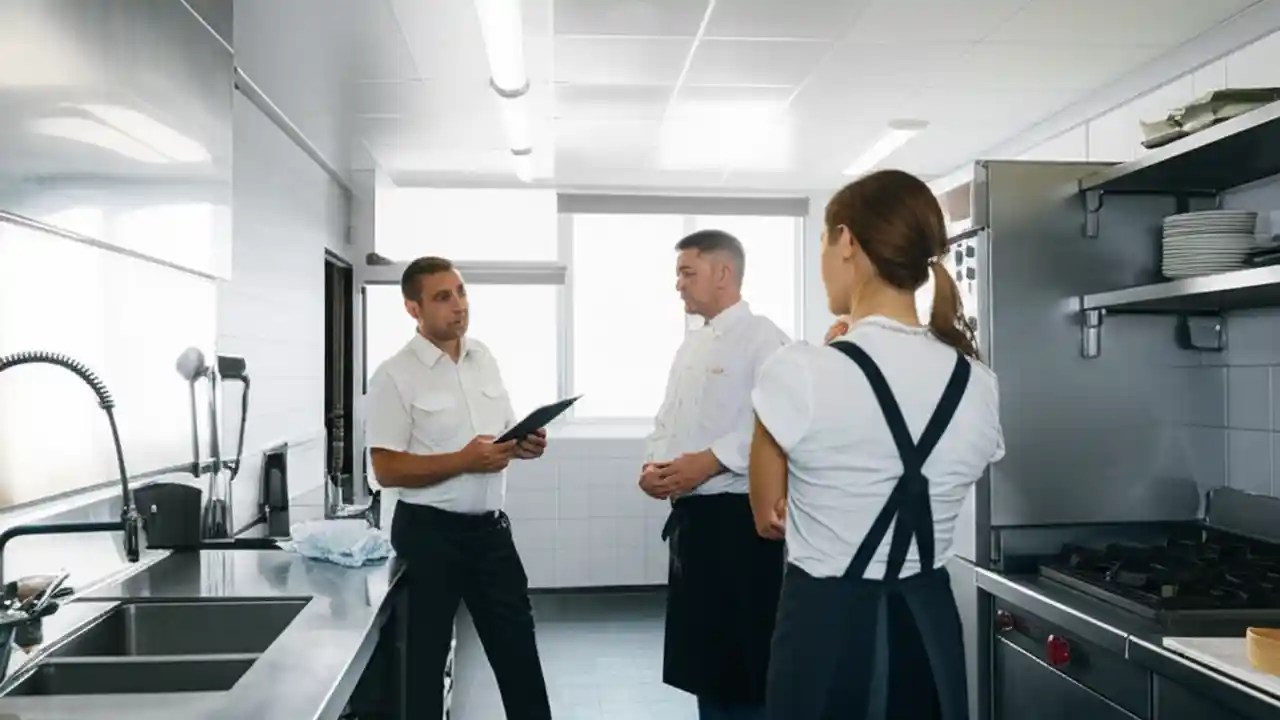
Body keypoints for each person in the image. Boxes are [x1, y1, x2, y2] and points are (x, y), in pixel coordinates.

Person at [748, 170, 1005, 720]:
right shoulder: (977, 382)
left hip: (825, 631)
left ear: (846, 241)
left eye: (822, 239)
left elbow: (767, 513)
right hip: (931, 623)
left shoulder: (801, 371)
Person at [365, 256, 552, 720]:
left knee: (519, 654)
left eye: (462, 292)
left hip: (490, 536)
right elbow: (384, 469)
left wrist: (524, 442)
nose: (459, 305)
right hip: (428, 536)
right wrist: (463, 460)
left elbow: (504, 428)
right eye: (443, 297)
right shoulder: (393, 375)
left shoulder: (483, 357)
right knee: (423, 664)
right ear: (413, 309)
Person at [639, 229, 789, 720]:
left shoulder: (765, 339)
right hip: (694, 526)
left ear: (723, 273)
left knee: (745, 663)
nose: (678, 284)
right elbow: (667, 420)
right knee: (707, 663)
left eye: (687, 272)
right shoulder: (692, 347)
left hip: (739, 523)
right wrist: (653, 466)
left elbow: (781, 421)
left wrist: (710, 460)